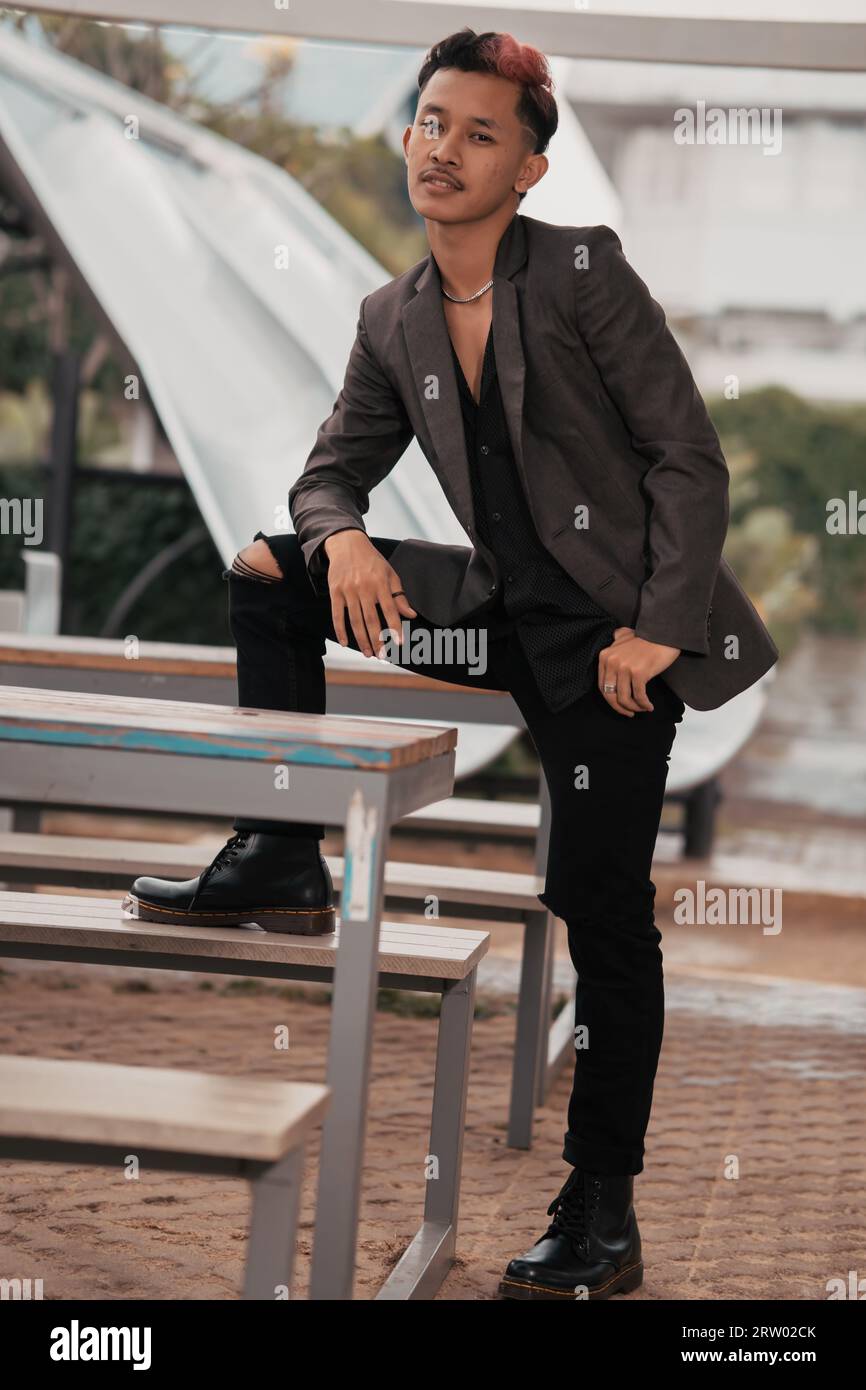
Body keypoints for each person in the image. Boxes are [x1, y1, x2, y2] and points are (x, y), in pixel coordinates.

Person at [126, 27, 778, 1300]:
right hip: (487, 615)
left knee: (601, 915)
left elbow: (686, 458)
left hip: (610, 650)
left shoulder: (581, 274)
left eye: (479, 132)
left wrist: (655, 625)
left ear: (528, 169)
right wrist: (348, 539)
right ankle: (279, 848)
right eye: (431, 121)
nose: (444, 147)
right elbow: (326, 475)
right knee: (269, 569)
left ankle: (601, 1207)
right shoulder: (394, 315)